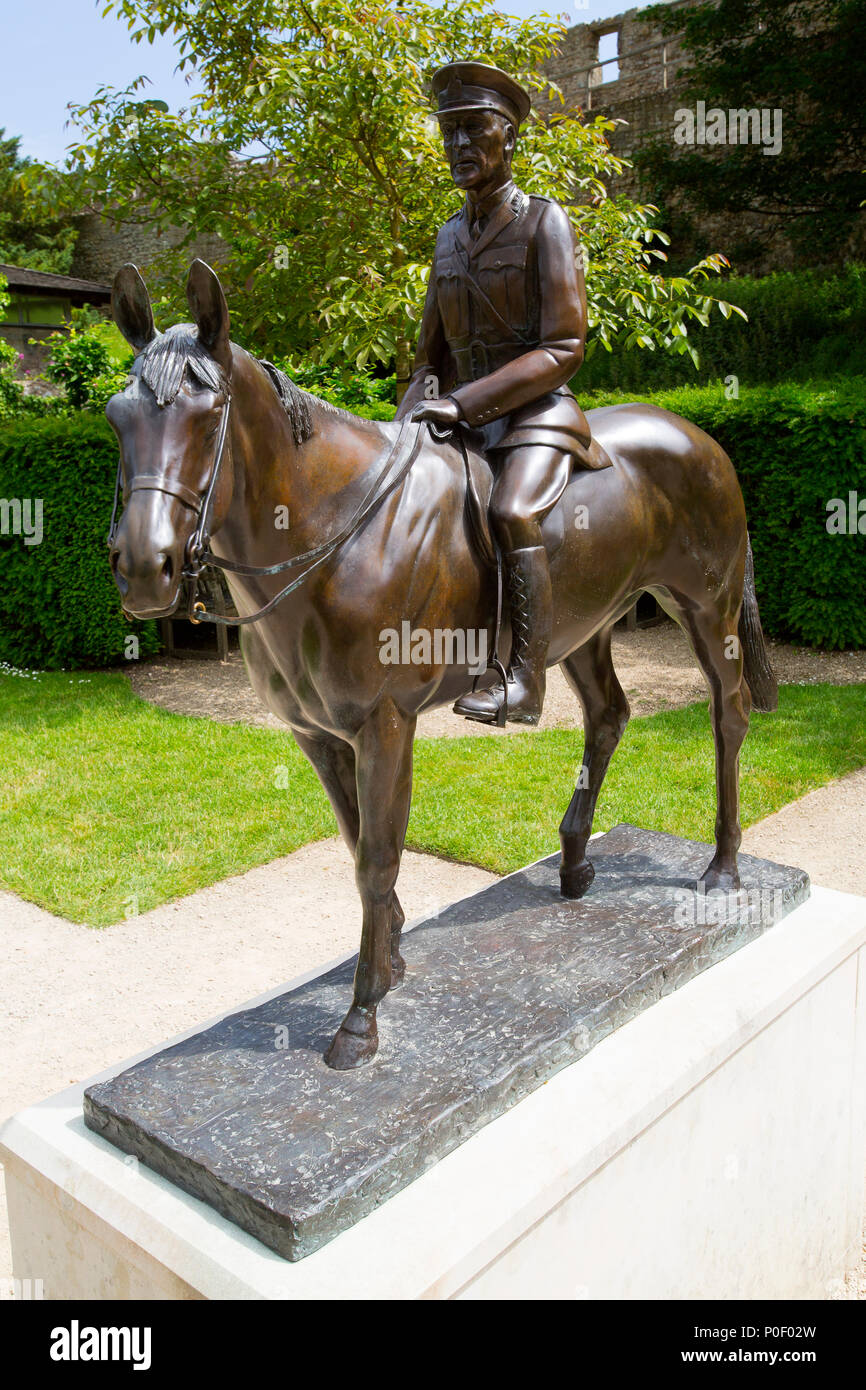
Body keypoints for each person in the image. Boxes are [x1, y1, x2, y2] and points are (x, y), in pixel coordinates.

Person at [396, 60, 592, 725]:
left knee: (511, 512)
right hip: (461, 421)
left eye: (474, 130)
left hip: (534, 416)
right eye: (448, 132)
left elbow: (565, 346)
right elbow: (429, 356)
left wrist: (467, 403)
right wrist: (403, 426)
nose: (459, 147)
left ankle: (524, 683)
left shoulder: (545, 224)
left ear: (509, 138)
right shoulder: (447, 238)